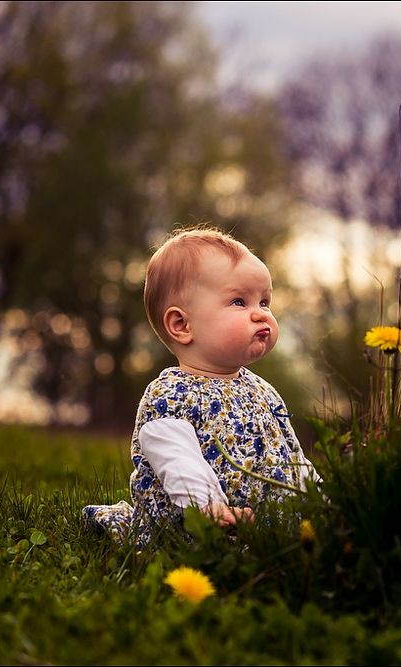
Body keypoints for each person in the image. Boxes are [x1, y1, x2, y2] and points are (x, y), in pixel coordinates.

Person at [83, 227, 320, 544]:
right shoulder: (170, 397)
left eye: (264, 302)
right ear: (182, 325)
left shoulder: (265, 392)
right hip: (198, 533)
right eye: (239, 301)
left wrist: (320, 503)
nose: (260, 315)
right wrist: (206, 508)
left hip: (266, 533)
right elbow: (178, 462)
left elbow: (292, 458)